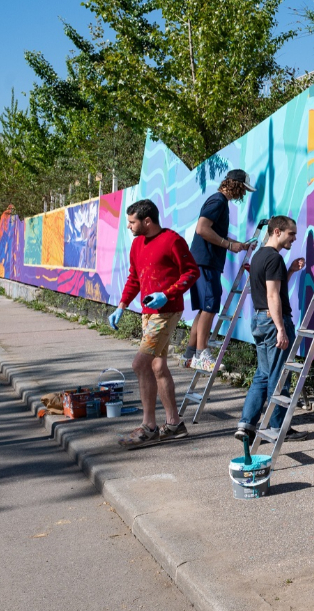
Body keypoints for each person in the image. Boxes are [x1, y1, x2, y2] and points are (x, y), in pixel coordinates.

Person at [108, 199, 201, 450]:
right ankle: (174, 425)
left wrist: (167, 293)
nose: (128, 227)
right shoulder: (138, 244)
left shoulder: (172, 240)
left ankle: (149, 427)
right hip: (148, 313)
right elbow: (134, 278)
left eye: (132, 222)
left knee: (140, 364)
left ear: (147, 221)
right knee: (158, 366)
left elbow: (192, 272)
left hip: (167, 310)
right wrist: (121, 305)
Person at [233, 215, 310, 444]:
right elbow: (272, 295)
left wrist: (291, 273)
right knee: (279, 376)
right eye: (291, 234)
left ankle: (246, 424)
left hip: (259, 320)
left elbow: (273, 288)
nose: (294, 239)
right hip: (272, 320)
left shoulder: (259, 256)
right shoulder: (274, 258)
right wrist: (280, 329)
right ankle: (277, 428)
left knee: (263, 375)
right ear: (277, 231)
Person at [185, 169, 258, 371]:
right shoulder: (218, 201)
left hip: (203, 262)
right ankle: (202, 355)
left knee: (203, 309)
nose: (242, 194)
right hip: (206, 262)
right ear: (235, 185)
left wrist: (238, 244)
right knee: (209, 307)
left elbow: (213, 232)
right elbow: (202, 228)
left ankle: (190, 355)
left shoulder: (218, 201)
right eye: (242, 189)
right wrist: (227, 245)